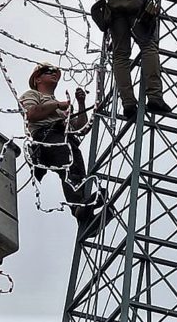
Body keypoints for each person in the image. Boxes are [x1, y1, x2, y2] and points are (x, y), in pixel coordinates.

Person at [20, 62, 112, 238]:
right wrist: (57, 105)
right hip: (46, 138)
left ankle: (85, 217)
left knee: (76, 170)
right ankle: (78, 205)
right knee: (70, 168)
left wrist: (81, 102)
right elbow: (31, 114)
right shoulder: (32, 95)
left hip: (64, 139)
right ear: (37, 78)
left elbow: (80, 128)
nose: (54, 74)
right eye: (48, 72)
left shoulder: (61, 106)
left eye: (55, 72)